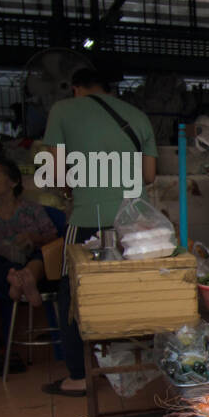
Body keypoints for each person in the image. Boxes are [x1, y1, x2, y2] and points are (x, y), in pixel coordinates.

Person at [41, 67, 157, 397]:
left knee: (75, 294)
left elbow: (56, 174)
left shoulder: (63, 110)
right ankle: (139, 368)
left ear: (77, 88)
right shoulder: (137, 115)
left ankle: (79, 376)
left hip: (88, 219)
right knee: (135, 290)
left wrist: (73, 189)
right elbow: (148, 175)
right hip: (136, 224)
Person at [0, 160, 57, 309]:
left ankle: (24, 278)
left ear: (14, 182)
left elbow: (53, 239)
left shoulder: (33, 210)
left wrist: (33, 238)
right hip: (2, 265)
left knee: (40, 256)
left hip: (33, 262)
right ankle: (19, 280)